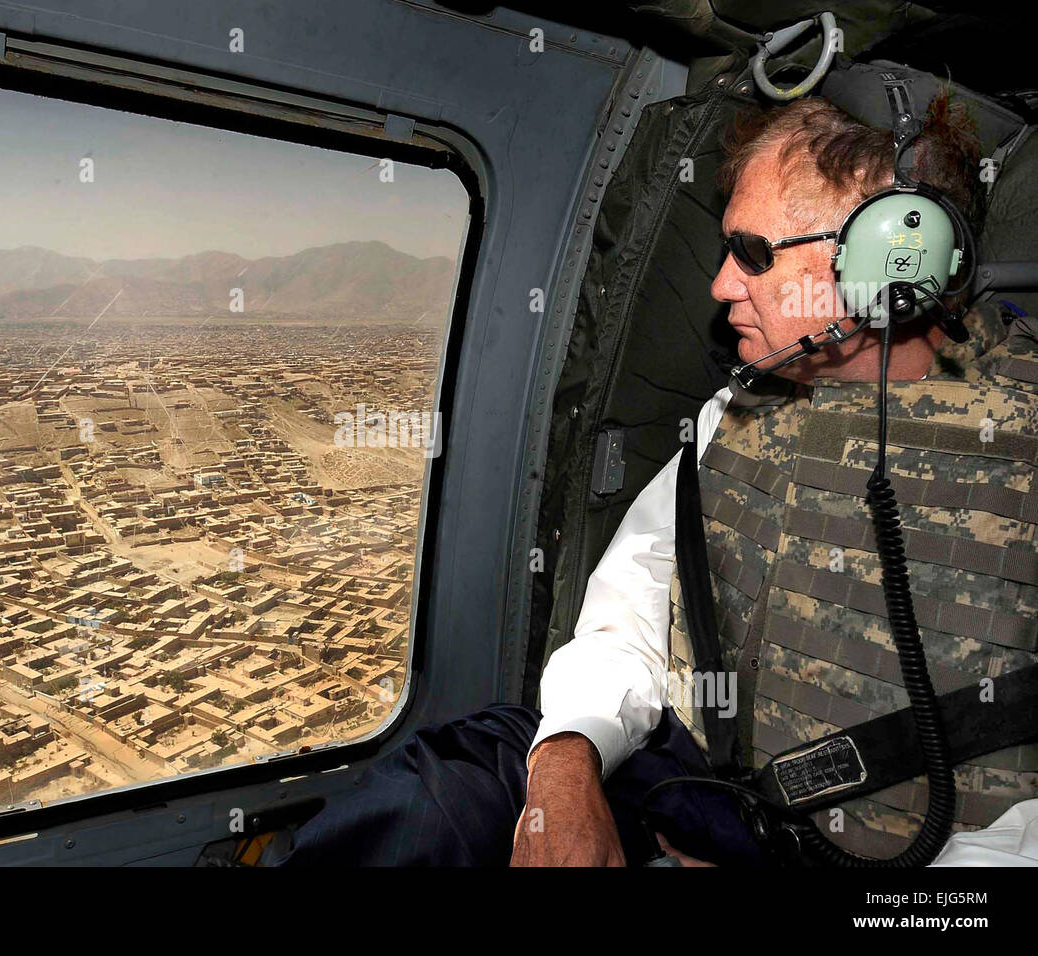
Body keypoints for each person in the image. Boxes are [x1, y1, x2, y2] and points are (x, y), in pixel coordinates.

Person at [270, 92, 1038, 867]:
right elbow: (633, 607)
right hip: (698, 777)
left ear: (887, 261)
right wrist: (565, 764)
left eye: (754, 253)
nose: (720, 286)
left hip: (915, 853)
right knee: (438, 801)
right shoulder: (735, 411)